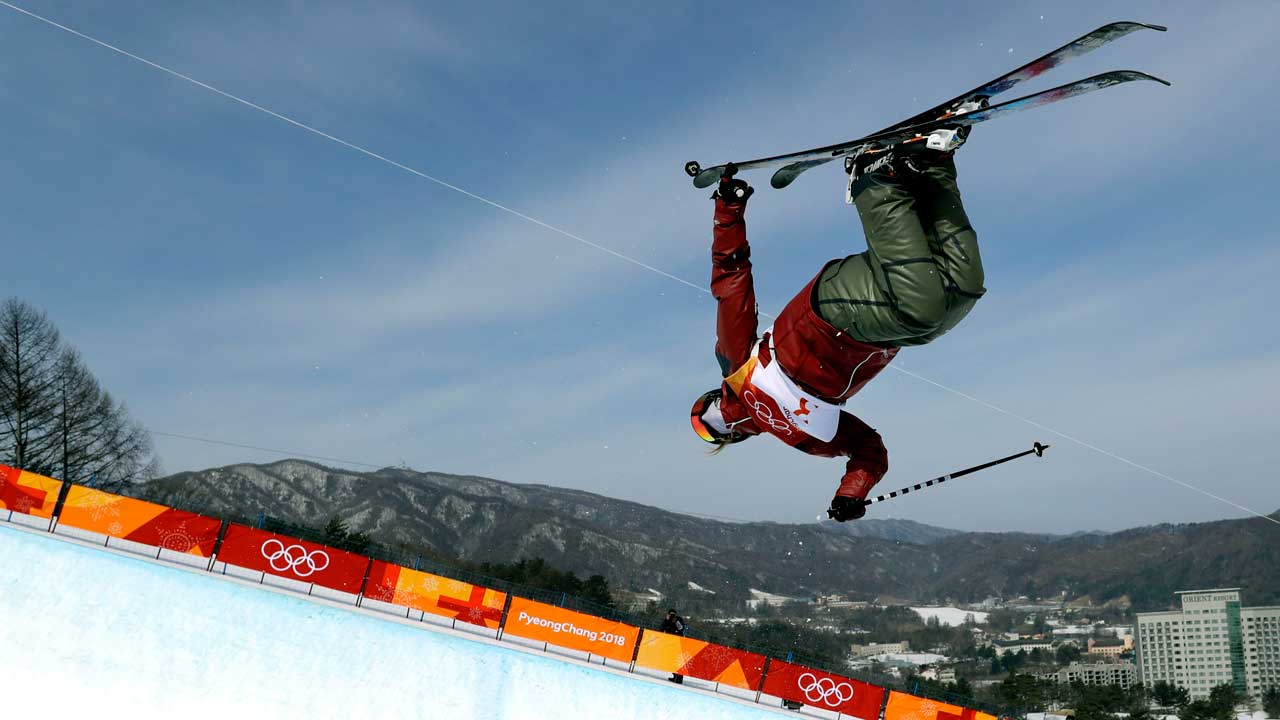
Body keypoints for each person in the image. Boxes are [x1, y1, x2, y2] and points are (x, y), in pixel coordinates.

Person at [689, 134, 985, 522]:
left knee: (925, 308)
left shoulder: (737, 369)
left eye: (710, 419)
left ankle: (870, 179)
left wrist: (728, 207)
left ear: (717, 402)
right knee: (959, 294)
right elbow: (868, 449)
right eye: (711, 430)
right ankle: (932, 165)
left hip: (831, 311)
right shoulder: (804, 438)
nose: (719, 422)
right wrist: (850, 493)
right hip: (879, 335)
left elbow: (731, 283)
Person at [660, 608, 687, 684]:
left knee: (678, 660)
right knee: (671, 659)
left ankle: (679, 678)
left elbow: (682, 629)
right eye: (670, 614)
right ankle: (674, 675)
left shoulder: (678, 620)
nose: (672, 616)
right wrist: (666, 620)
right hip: (669, 643)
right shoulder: (667, 620)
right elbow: (661, 629)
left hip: (678, 643)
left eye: (673, 614)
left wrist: (676, 622)